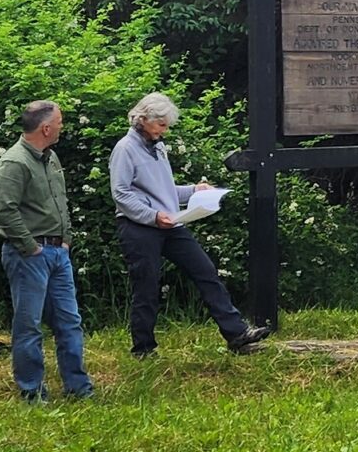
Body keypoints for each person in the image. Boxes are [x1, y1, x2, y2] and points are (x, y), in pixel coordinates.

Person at [110, 91, 267, 359]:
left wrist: (195, 190)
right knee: (146, 286)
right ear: (144, 119)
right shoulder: (125, 149)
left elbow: (164, 190)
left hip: (171, 222)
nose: (164, 130)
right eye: (161, 125)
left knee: (205, 270)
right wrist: (152, 216)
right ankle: (143, 349)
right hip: (139, 226)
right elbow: (121, 193)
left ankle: (237, 335)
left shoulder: (157, 147)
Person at [0, 100, 93, 403]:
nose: (63, 126)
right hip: (29, 255)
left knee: (69, 321)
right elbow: (4, 212)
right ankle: (32, 392)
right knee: (29, 325)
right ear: (46, 127)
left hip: (57, 253)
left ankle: (79, 388)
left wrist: (66, 239)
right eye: (60, 121)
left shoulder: (50, 157)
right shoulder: (14, 163)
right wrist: (30, 247)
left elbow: (60, 201)